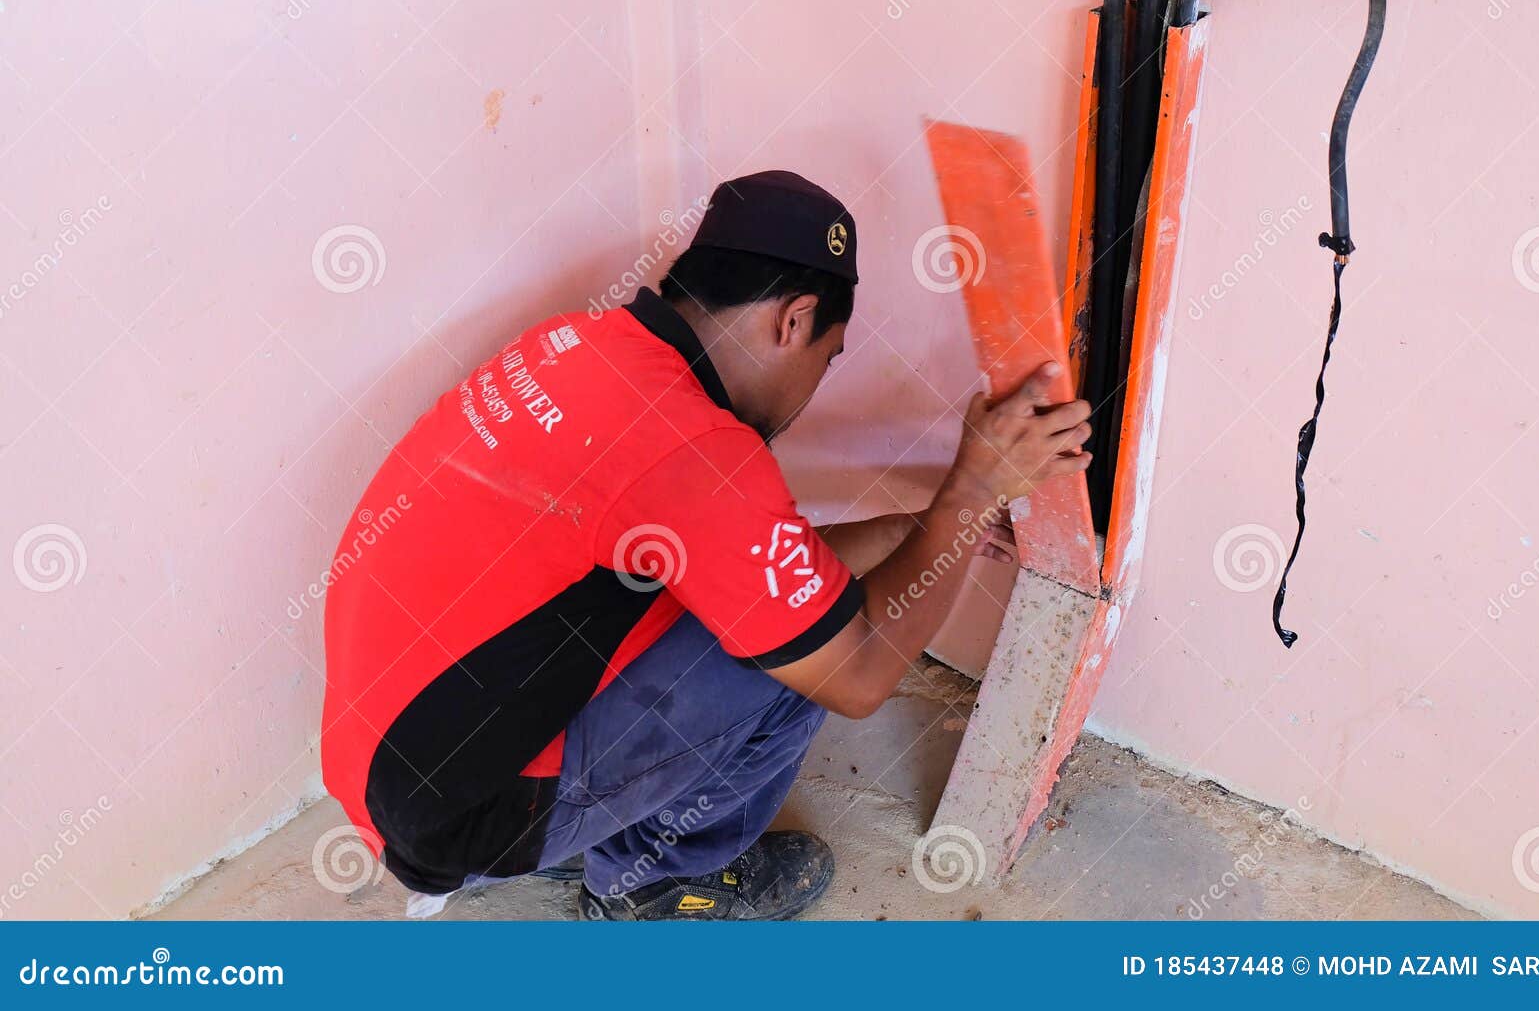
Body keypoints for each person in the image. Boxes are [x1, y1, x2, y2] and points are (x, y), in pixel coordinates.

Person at [319, 170, 1092, 920]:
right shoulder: (700, 453)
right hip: (460, 815)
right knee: (797, 662)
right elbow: (857, 676)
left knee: (772, 612)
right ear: (794, 320)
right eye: (828, 357)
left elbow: (740, 561)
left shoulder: (584, 344)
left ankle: (558, 830)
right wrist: (970, 491)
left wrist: (912, 532)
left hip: (383, 770)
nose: (817, 381)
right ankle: (649, 884)